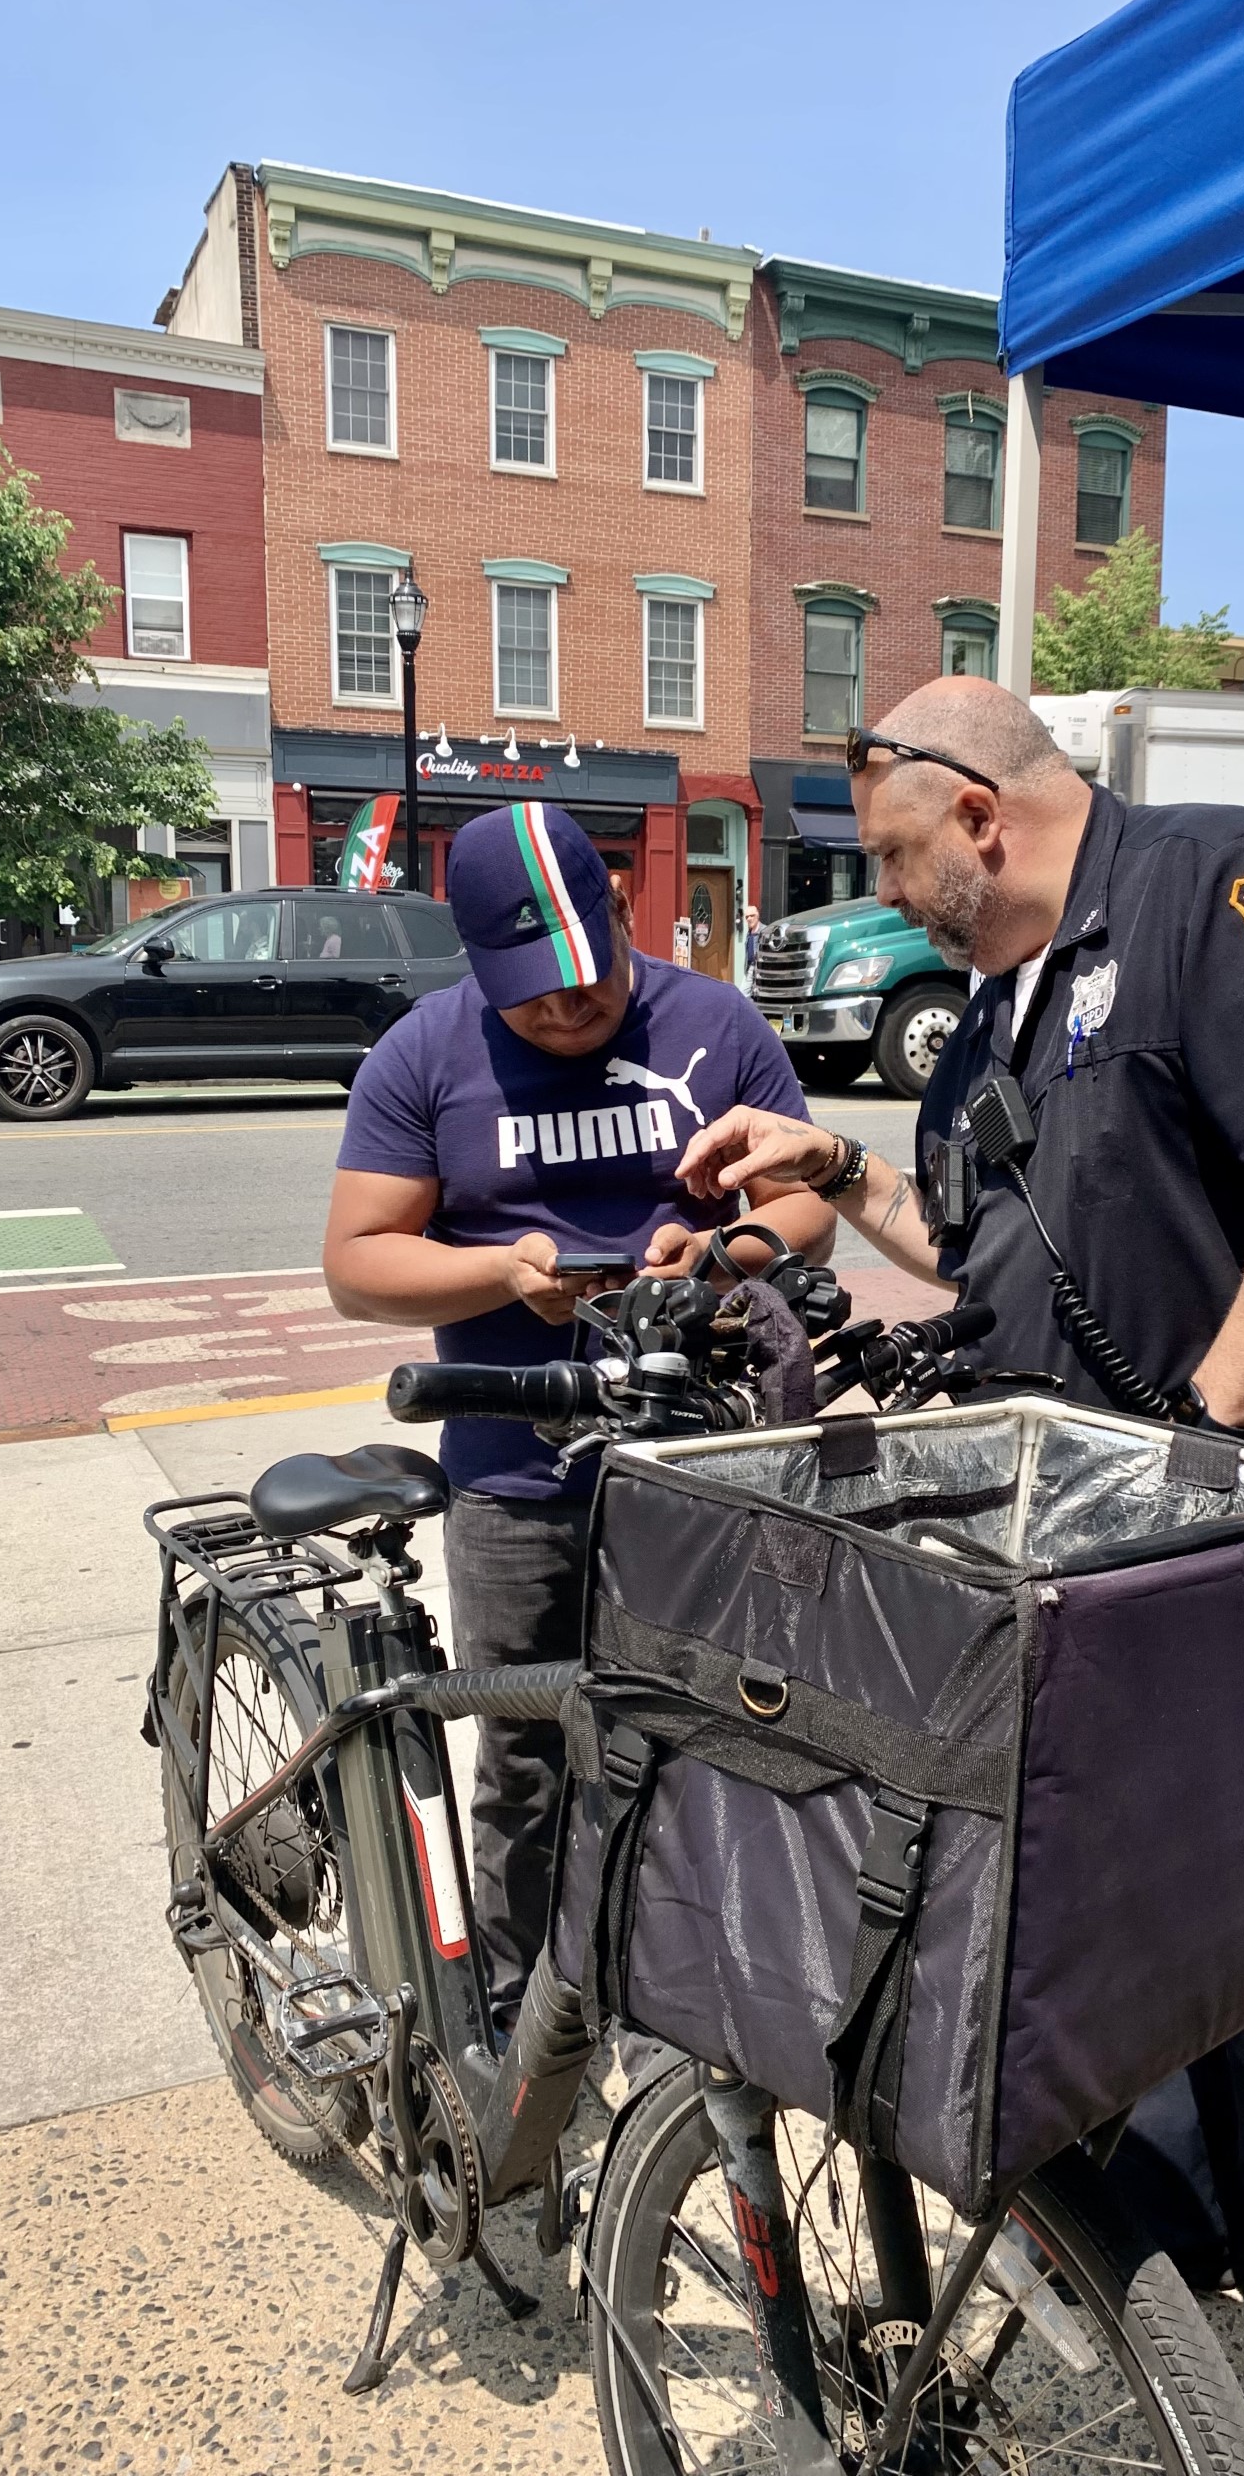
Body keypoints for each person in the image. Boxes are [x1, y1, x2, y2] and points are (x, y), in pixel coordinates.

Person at [676, 678, 1244, 2476]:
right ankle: (1198, 2285)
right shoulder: (986, 1023)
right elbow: (984, 1255)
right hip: (1106, 1598)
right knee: (1154, 1963)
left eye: (891, 857)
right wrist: (834, 1169)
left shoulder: (1212, 889)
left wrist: (1184, 1467)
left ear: (976, 809)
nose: (883, 898)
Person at [324, 803, 831, 2035]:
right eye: (531, 1001)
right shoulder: (425, 1053)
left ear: (619, 911)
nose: (563, 1016)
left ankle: (681, 1988)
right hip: (515, 1467)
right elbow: (358, 1262)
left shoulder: (714, 1022)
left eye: (587, 988)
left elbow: (804, 1207)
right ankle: (521, 2009)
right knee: (528, 1756)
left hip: (699, 1453)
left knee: (711, 1730)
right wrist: (502, 1274)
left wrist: (712, 1257)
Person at [742, 901, 761, 990]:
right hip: (750, 968)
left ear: (757, 916)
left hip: (760, 969)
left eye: (752, 916)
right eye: (747, 917)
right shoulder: (749, 933)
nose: (749, 919)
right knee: (744, 993)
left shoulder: (764, 931)